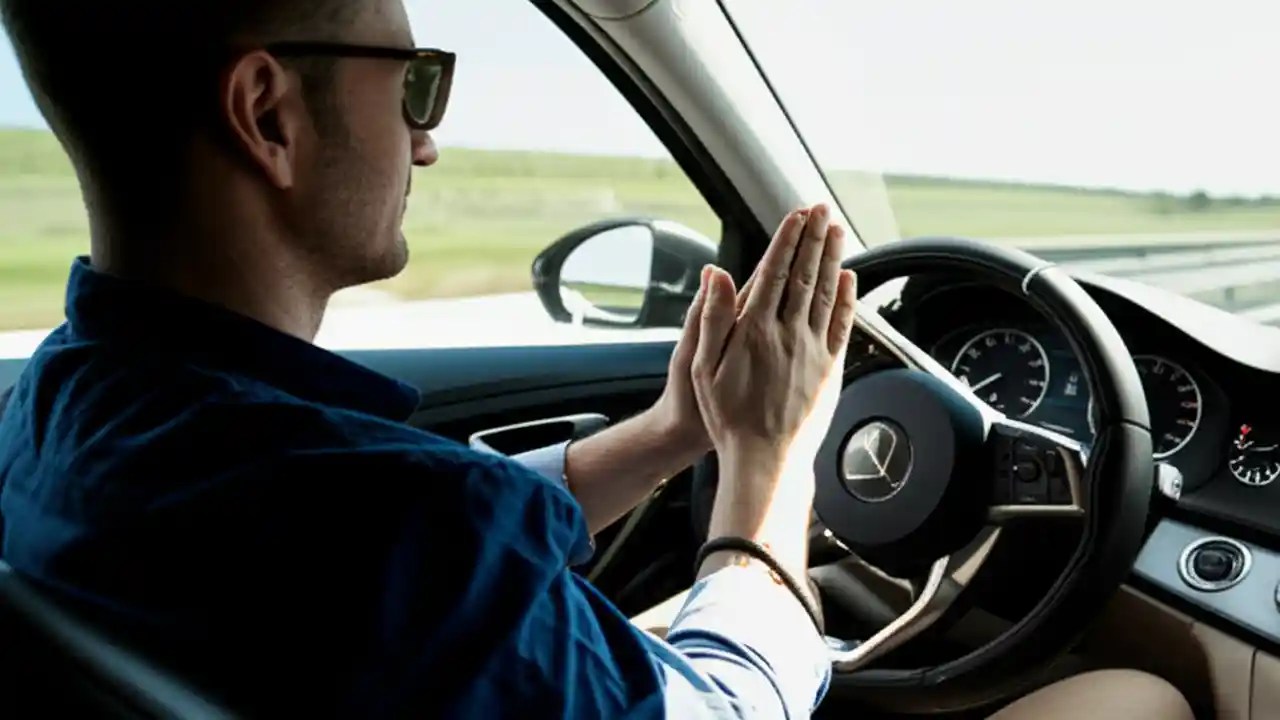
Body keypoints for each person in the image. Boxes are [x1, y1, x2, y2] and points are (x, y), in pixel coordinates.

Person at [0, 1, 1193, 718]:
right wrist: (766, 479)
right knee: (1133, 695)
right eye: (415, 82)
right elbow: (725, 705)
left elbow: (389, 554)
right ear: (267, 114)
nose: (426, 140)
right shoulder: (398, 523)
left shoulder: (61, 408)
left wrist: (674, 436)